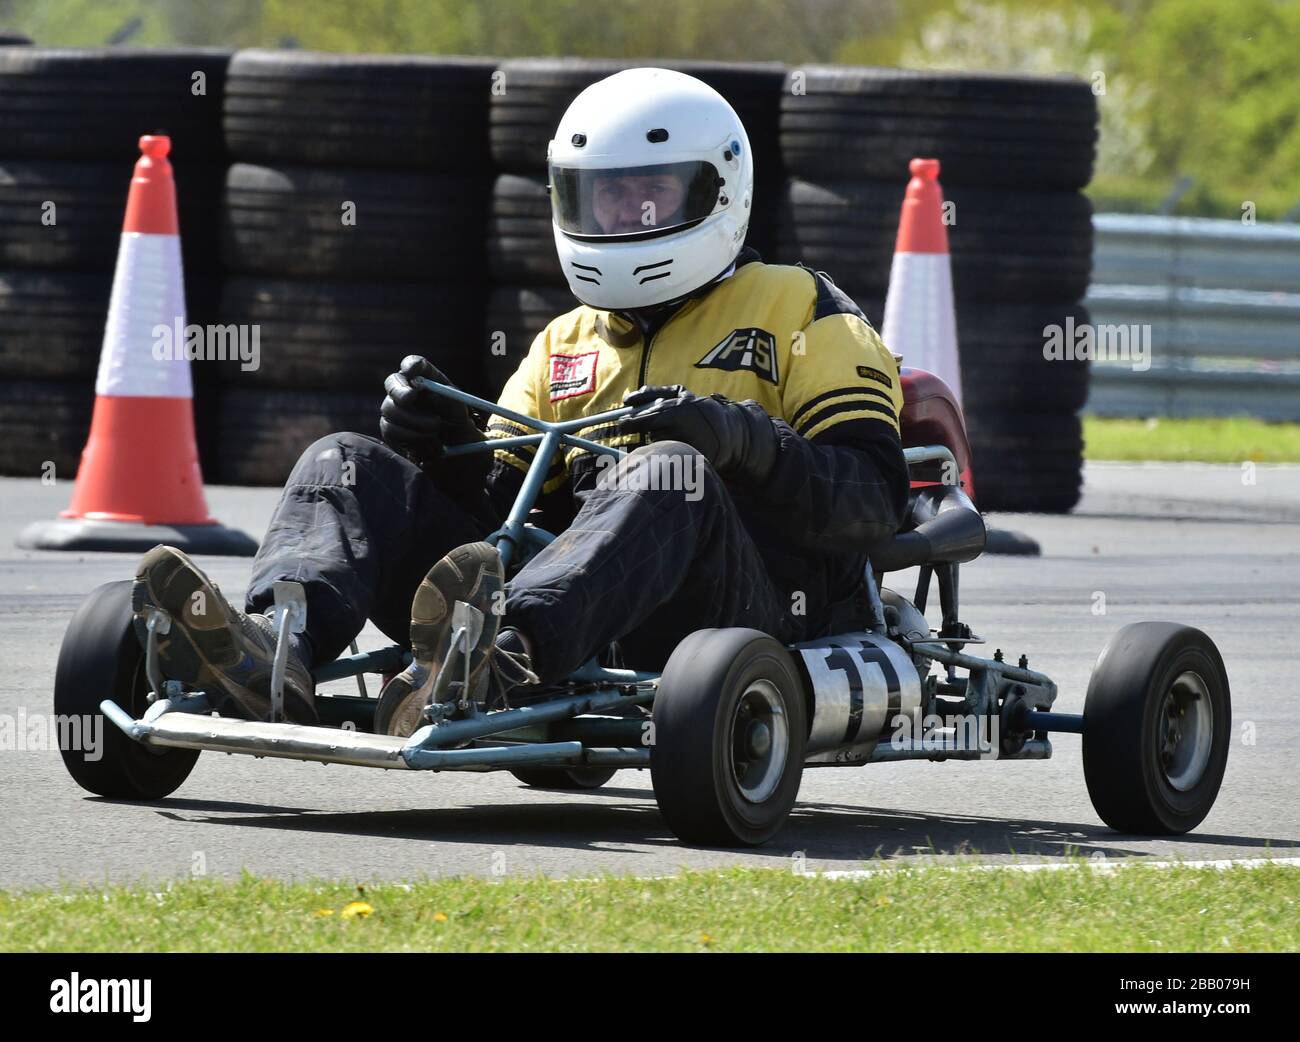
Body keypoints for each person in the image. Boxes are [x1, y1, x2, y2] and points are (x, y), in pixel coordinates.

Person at [131, 67, 911, 738]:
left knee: (669, 471)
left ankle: (497, 654)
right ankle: (276, 649)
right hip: (574, 599)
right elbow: (501, 521)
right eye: (605, 198)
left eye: (650, 193)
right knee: (344, 460)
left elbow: (876, 499)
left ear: (719, 189)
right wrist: (440, 444)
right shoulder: (566, 341)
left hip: (748, 609)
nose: (626, 216)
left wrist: (740, 440)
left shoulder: (800, 306)